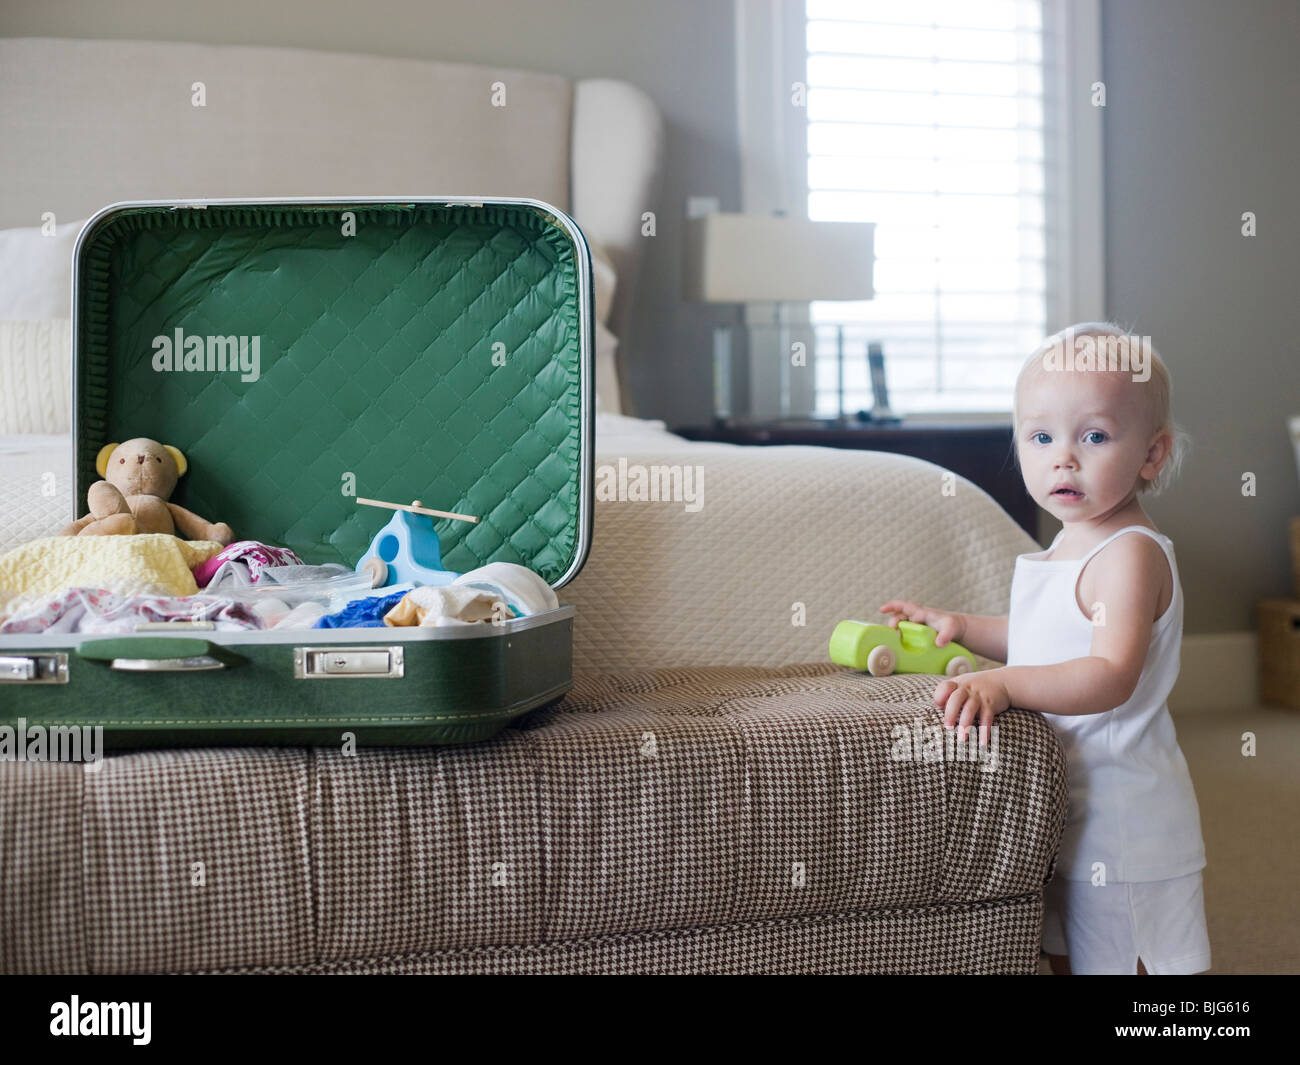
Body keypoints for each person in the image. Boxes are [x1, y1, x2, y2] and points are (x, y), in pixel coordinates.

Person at [880, 322, 1210, 975]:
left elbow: (1108, 672)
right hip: (1063, 810)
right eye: (1041, 436)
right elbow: (1045, 633)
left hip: (1126, 826)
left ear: (1152, 454)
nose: (1064, 456)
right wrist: (963, 626)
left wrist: (1004, 683)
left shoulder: (1130, 555)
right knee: (1066, 953)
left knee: (1138, 963)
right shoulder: (1066, 544)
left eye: (1093, 436)